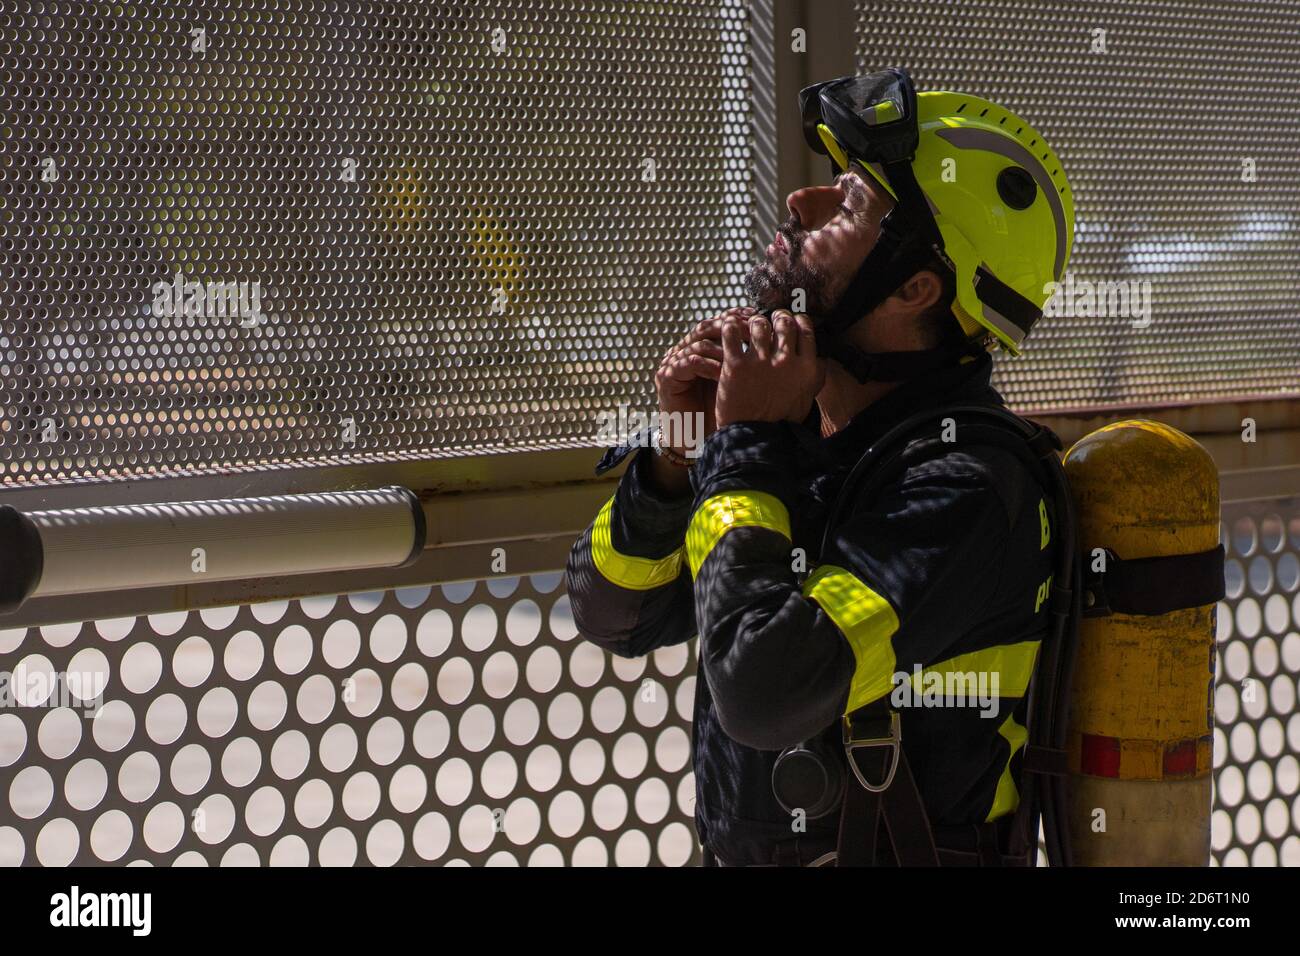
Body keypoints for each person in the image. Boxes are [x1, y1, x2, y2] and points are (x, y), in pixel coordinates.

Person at [565, 69, 1075, 866]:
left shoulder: (966, 486)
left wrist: (745, 447)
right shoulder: (800, 430)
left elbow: (763, 689)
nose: (799, 207)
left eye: (849, 204)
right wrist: (674, 457)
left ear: (915, 286)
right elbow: (614, 617)